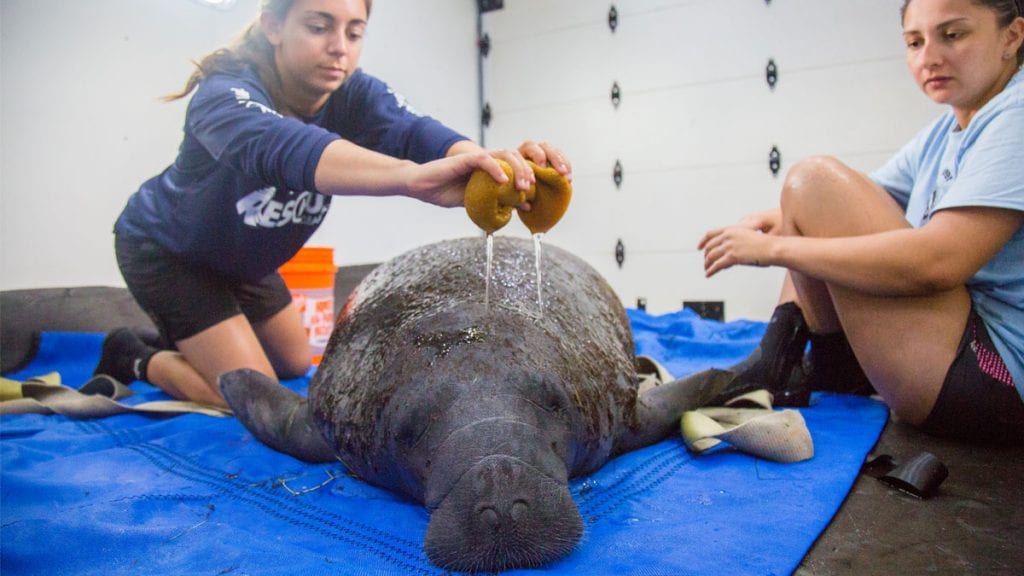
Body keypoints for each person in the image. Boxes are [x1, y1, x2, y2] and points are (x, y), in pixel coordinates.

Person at [94, 0, 573, 409]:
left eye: (354, 31)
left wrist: (491, 165)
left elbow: (412, 130)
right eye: (318, 26)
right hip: (170, 252)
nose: (338, 46)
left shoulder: (354, 93)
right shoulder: (223, 93)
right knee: (250, 392)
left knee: (295, 362)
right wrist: (408, 179)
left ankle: (196, 340)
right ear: (274, 25)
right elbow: (284, 147)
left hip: (241, 259)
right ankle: (132, 355)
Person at [699, 0, 1024, 443]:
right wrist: (775, 222)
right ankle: (791, 358)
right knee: (805, 192)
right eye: (915, 42)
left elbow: (940, 262)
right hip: (961, 351)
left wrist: (774, 249)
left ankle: (788, 361)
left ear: (1012, 36)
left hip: (996, 378)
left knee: (810, 180)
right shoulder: (948, 130)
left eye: (953, 35)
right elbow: (843, 204)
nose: (929, 56)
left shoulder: (1017, 115)